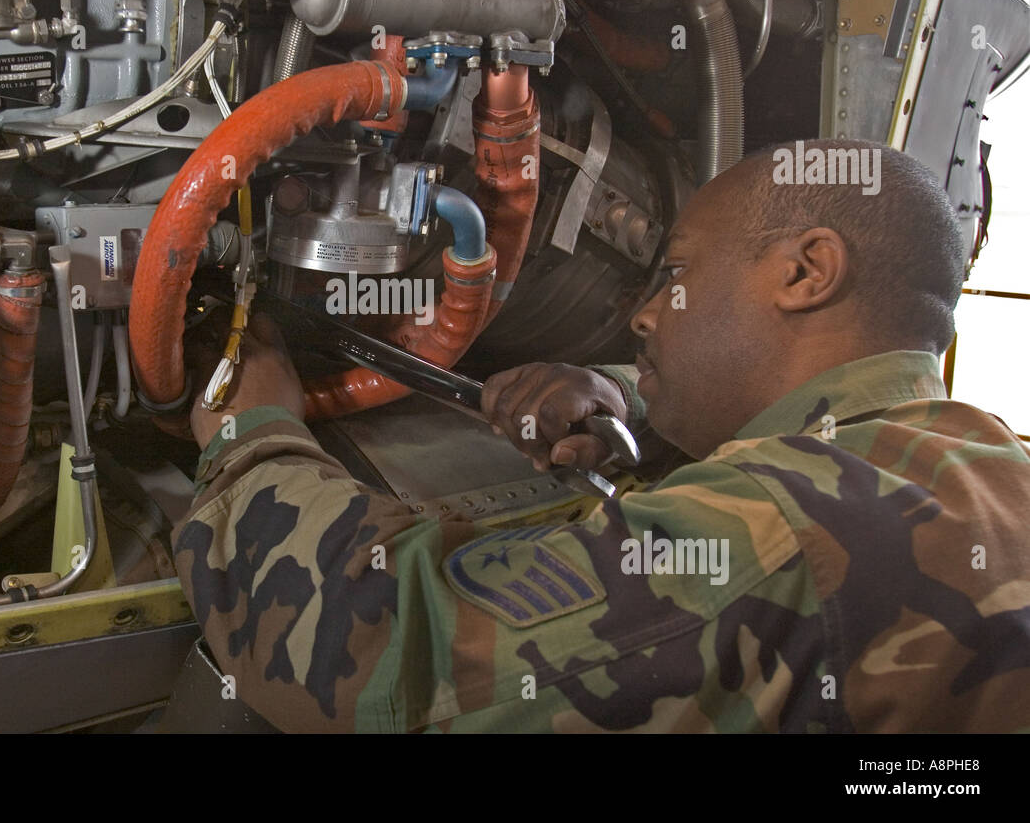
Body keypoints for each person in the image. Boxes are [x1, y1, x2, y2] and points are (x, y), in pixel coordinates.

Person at [174, 139, 1030, 732]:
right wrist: (628, 401)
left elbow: (377, 649)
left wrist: (253, 430)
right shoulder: (982, 457)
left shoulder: (776, 536)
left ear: (806, 273)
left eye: (678, 272)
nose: (645, 312)